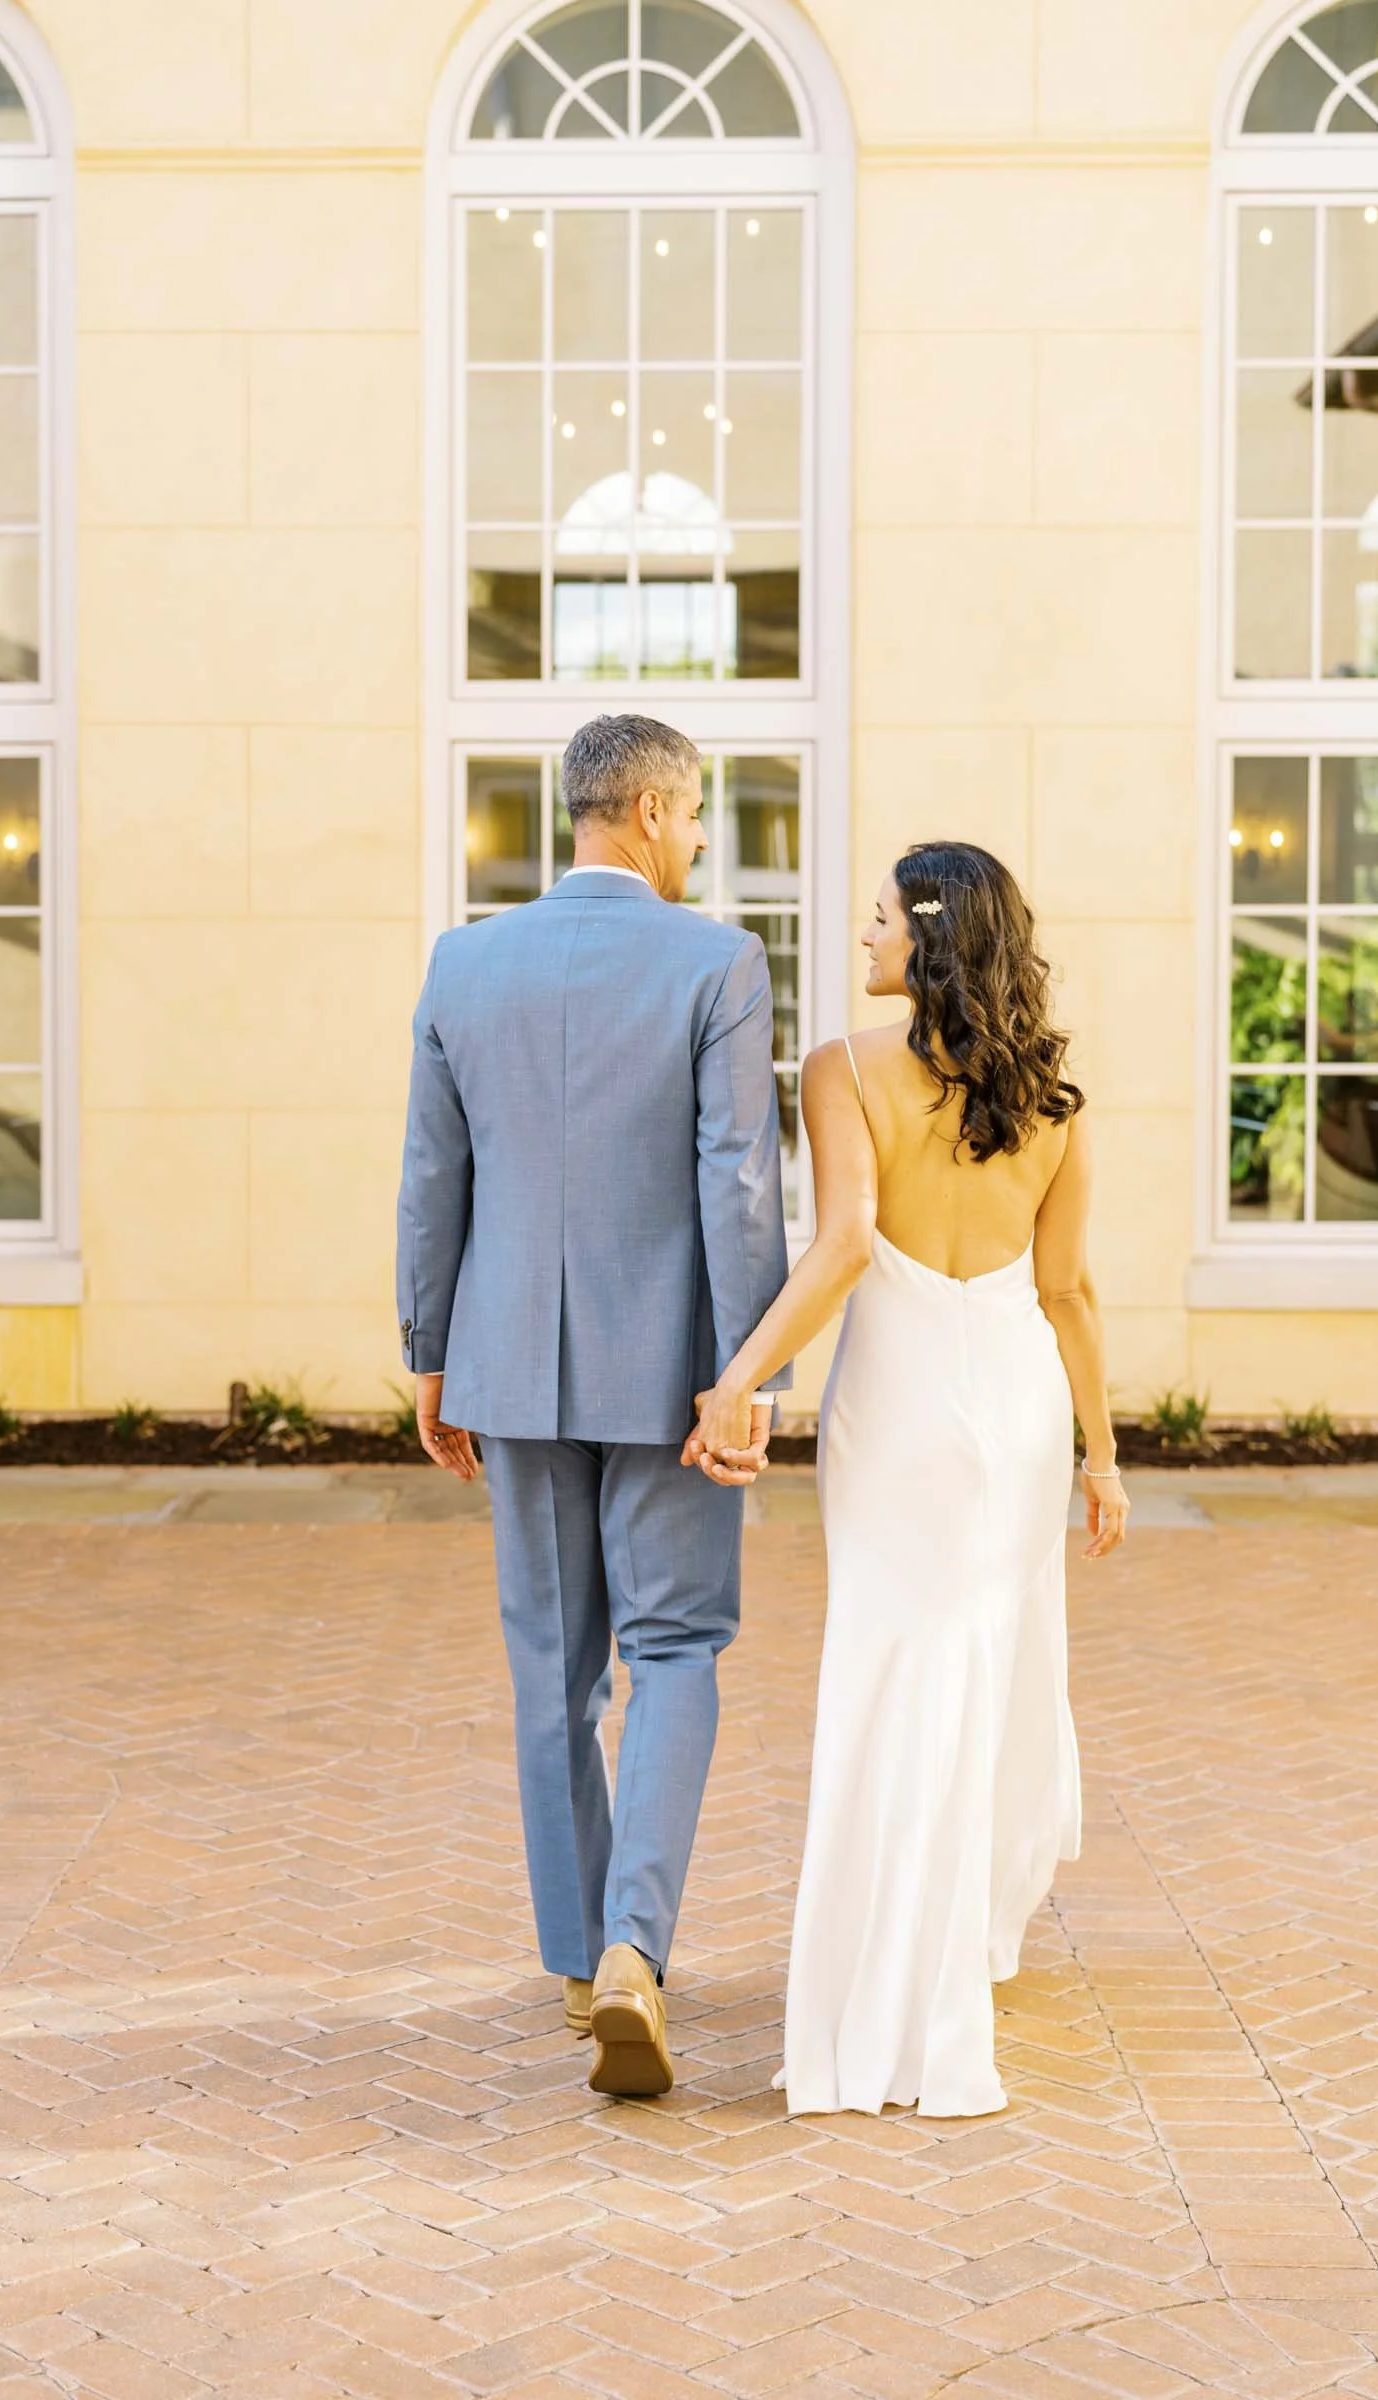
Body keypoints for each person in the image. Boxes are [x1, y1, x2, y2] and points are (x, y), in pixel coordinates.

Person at [687, 840, 1130, 2118]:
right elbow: (1066, 1295)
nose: (864, 938)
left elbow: (835, 1253)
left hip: (900, 1413)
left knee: (890, 1666)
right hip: (1019, 1410)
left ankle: (889, 1977)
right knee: (982, 1662)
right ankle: (959, 1953)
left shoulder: (843, 1070)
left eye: (880, 920)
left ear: (929, 940)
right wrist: (1101, 1456)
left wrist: (739, 1382)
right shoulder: (1055, 1103)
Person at [397, 714, 790, 2099]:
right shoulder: (719, 963)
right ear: (645, 811)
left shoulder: (465, 963)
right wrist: (750, 1378)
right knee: (674, 1652)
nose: (696, 843)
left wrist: (430, 1354)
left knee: (551, 1672)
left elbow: (431, 1179)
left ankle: (577, 1965)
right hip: (674, 1374)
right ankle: (638, 1947)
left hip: (509, 1368)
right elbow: (739, 1180)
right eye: (691, 820)